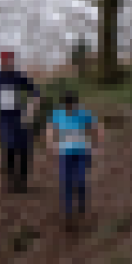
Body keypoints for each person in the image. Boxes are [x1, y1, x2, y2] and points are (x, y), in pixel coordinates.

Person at [0, 51, 40, 193]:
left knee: (25, 148)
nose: (8, 62)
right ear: (1, 62)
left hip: (19, 116)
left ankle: (22, 181)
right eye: (6, 60)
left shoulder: (18, 76)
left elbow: (35, 91)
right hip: (3, 117)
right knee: (9, 146)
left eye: (11, 60)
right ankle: (10, 179)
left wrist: (31, 108)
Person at [45, 90, 101, 231]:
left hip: (83, 152)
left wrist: (96, 145)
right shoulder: (57, 114)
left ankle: (82, 207)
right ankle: (68, 213)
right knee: (66, 182)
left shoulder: (84, 114)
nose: (69, 109)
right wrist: (50, 143)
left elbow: (96, 128)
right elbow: (50, 128)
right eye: (67, 106)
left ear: (76, 104)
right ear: (63, 105)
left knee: (81, 180)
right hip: (65, 154)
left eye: (72, 106)